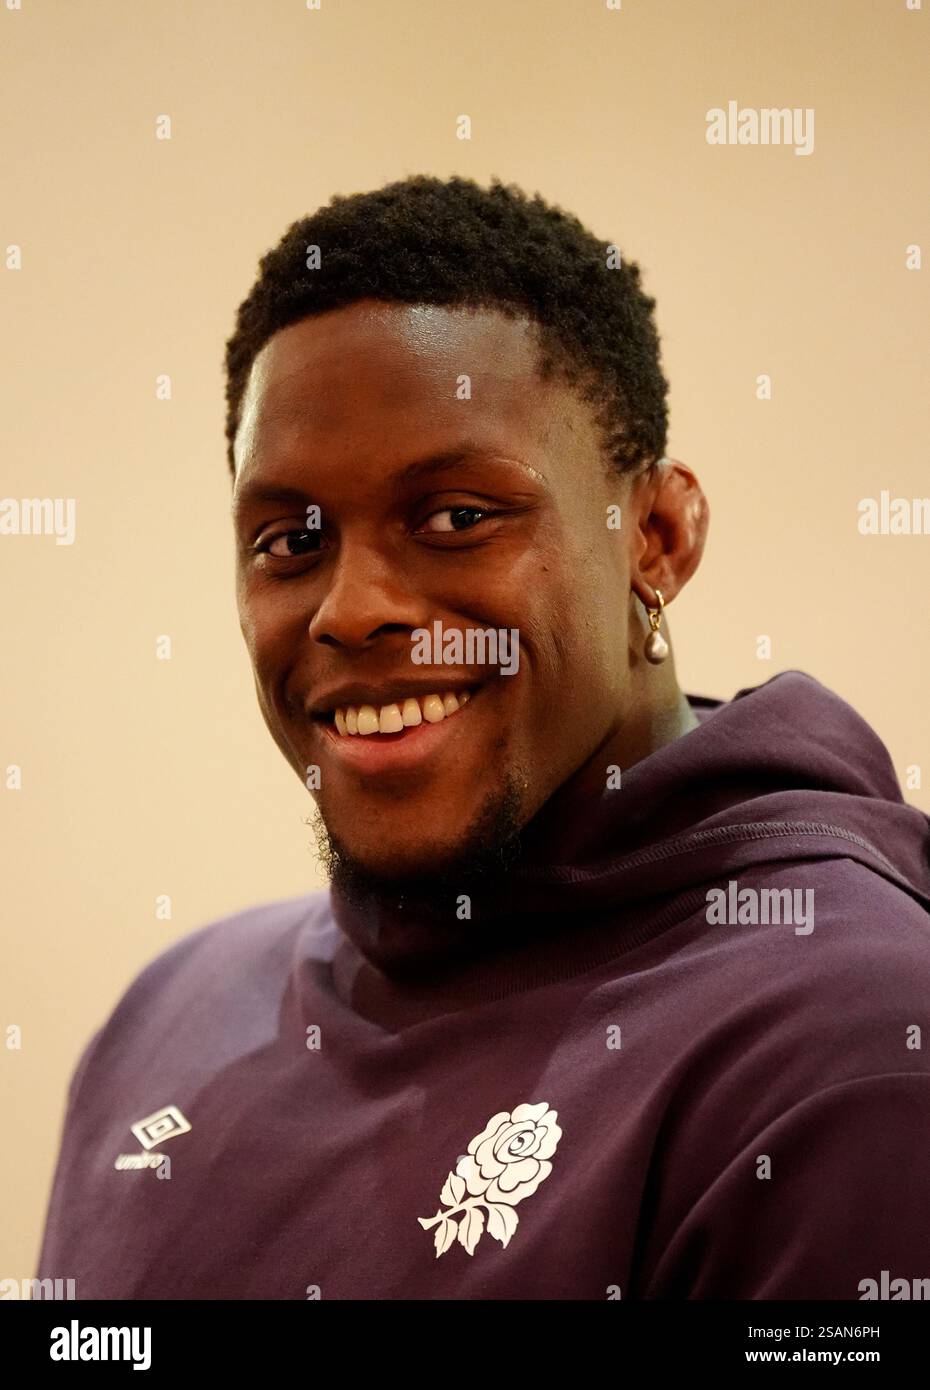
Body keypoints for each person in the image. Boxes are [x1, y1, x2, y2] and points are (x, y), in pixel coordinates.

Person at [36, 175, 930, 1299]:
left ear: (653, 537)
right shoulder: (167, 1019)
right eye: (287, 541)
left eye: (457, 518)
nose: (351, 608)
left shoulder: (852, 1042)